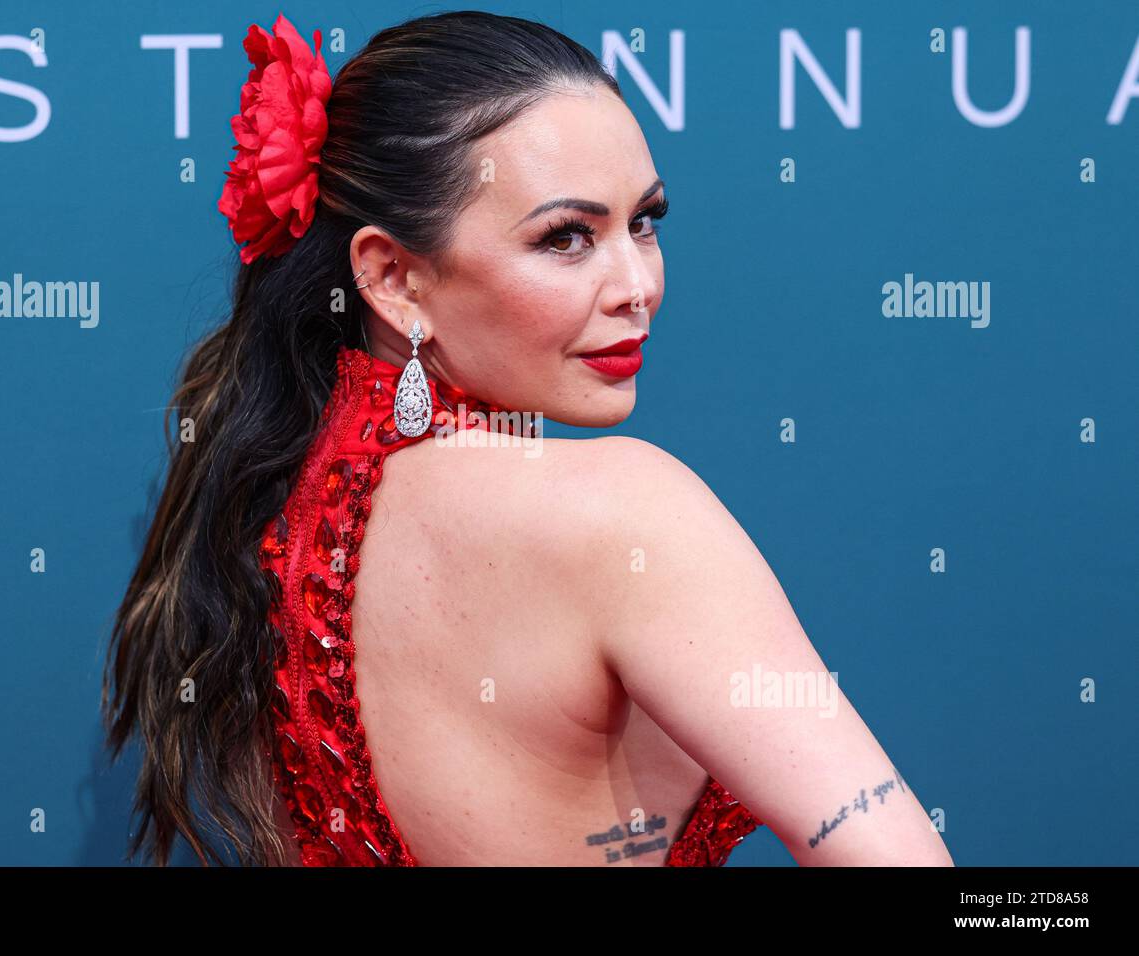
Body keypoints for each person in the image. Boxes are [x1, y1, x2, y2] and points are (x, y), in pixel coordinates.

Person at [102, 10, 955, 868]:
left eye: (645, 222)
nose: (636, 286)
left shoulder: (278, 518)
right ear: (393, 277)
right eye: (566, 238)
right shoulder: (629, 514)